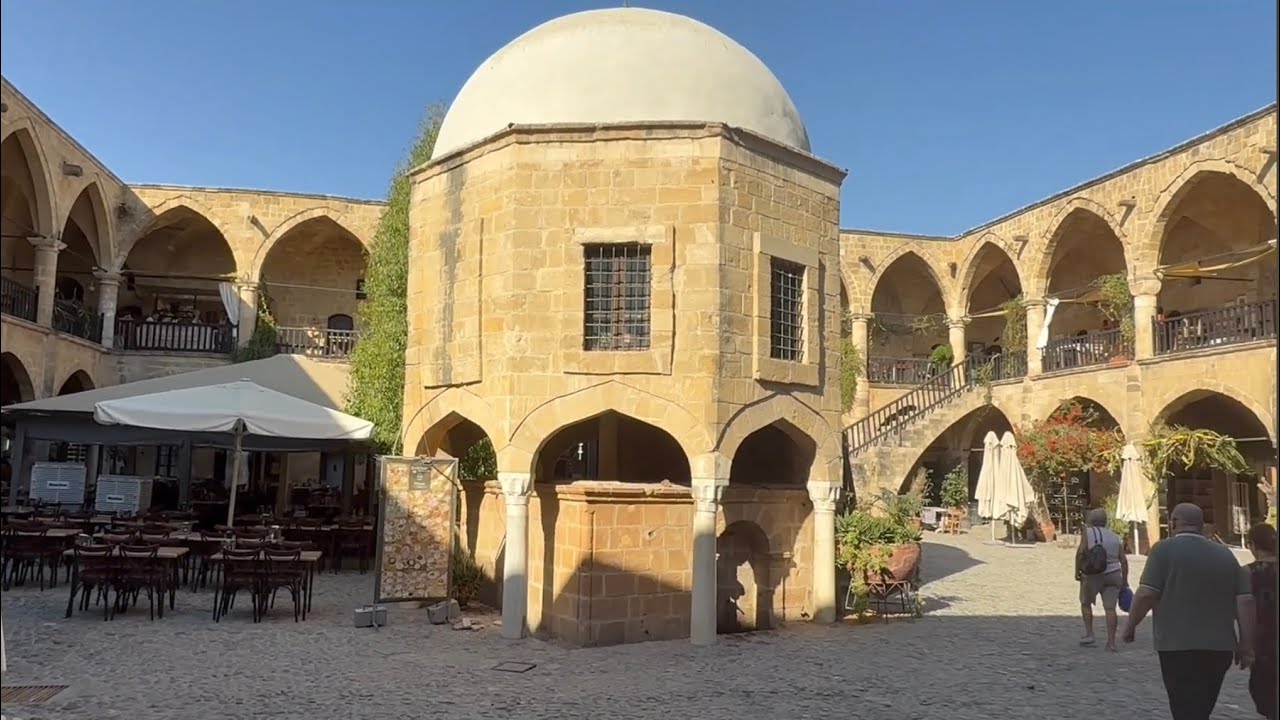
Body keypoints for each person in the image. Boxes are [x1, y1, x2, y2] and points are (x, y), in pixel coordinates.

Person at [1123, 503, 1256, 720]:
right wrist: (1246, 644)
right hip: (1218, 645)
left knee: (1183, 706)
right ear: (1202, 525)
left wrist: (1130, 626)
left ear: (1174, 523)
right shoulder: (1225, 555)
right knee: (1202, 706)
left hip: (1176, 644)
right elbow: (1245, 600)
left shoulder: (1163, 550)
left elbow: (1147, 593)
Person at [1075, 507, 1128, 650]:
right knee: (1110, 609)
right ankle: (1111, 642)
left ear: (1091, 520)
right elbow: (1123, 560)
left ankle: (1090, 634)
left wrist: (1077, 571)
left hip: (1093, 574)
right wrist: (1124, 580)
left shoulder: (1088, 533)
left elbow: (1081, 553)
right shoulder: (1115, 536)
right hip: (1113, 574)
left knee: (1086, 603)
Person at [1246, 523, 1277, 720]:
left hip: (1264, 640)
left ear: (1252, 545)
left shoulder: (1248, 573)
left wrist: (1245, 644)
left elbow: (1244, 607)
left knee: (1267, 692)